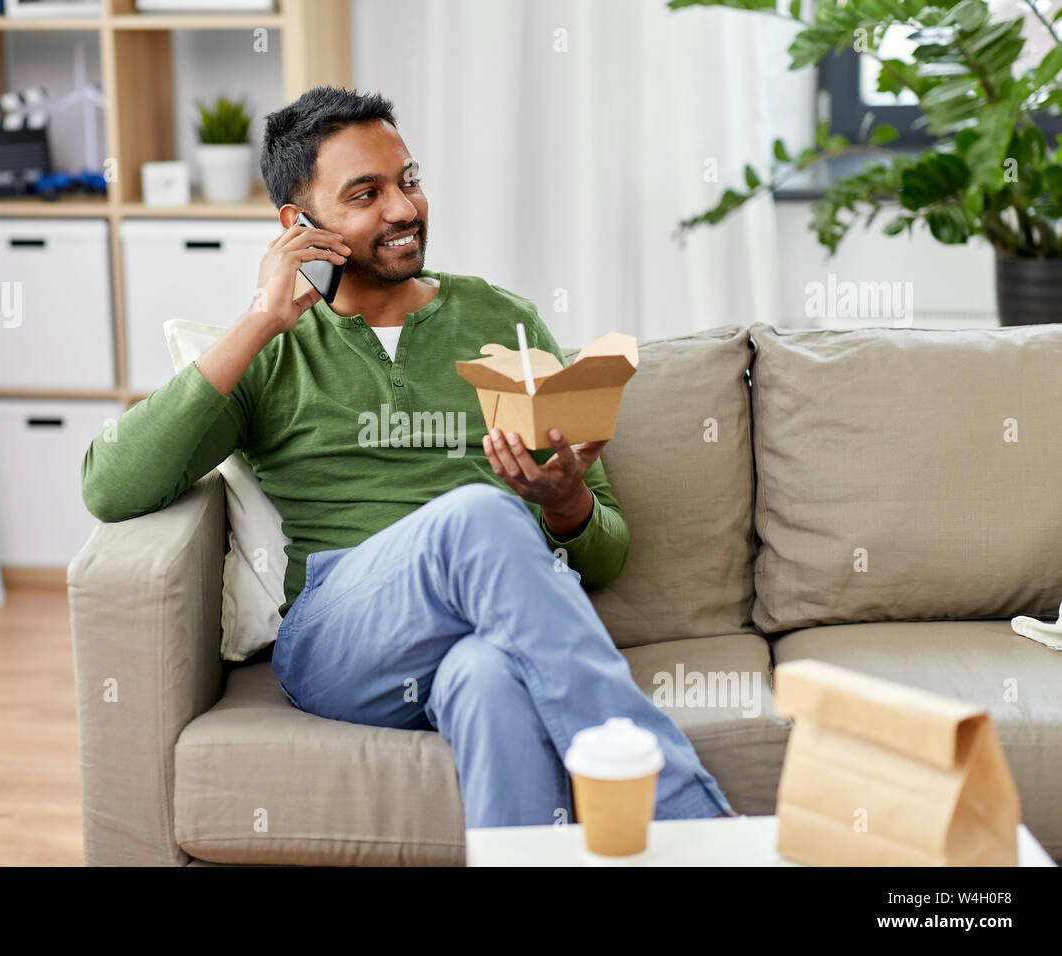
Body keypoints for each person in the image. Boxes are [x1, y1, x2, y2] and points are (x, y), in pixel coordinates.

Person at [80, 85, 736, 828]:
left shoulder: (503, 320)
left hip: (481, 634)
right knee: (483, 514)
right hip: (338, 637)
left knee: (489, 681)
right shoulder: (271, 352)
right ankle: (694, 825)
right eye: (366, 194)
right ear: (300, 225)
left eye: (409, 180)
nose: (403, 209)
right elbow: (111, 487)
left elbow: (607, 557)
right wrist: (261, 319)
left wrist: (563, 505)